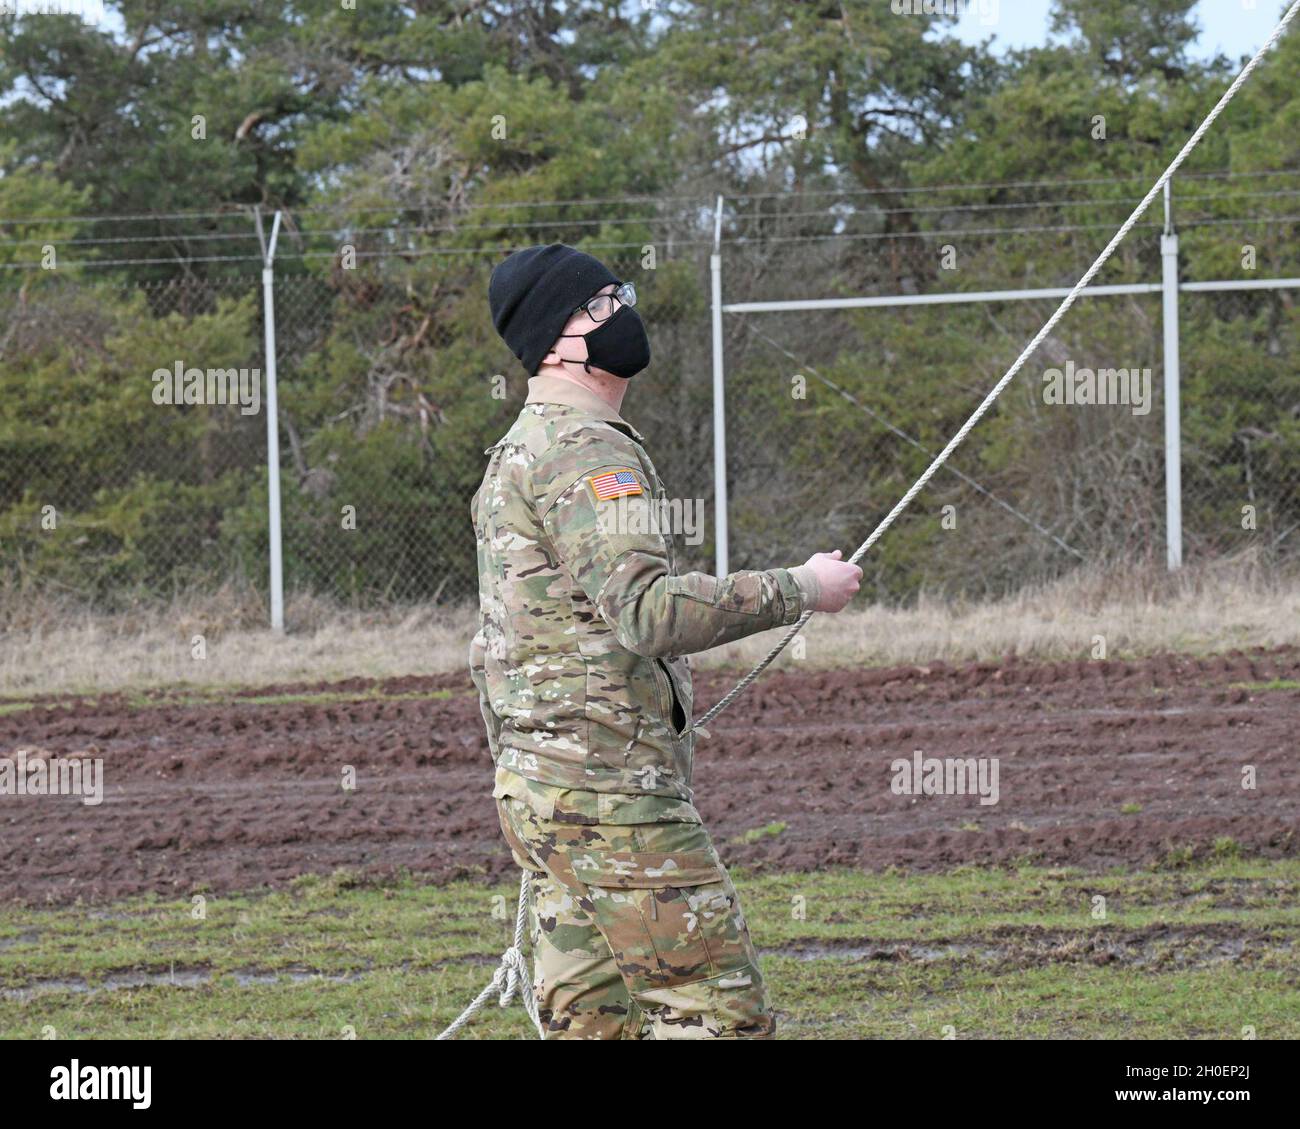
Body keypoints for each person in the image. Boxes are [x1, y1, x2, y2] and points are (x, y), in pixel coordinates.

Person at [470, 243, 862, 1039]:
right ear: (558, 338)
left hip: (547, 793)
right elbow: (646, 611)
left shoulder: (521, 448)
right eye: (603, 302)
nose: (625, 313)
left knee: (594, 1024)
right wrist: (801, 588)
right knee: (715, 1010)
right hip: (612, 797)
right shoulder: (585, 451)